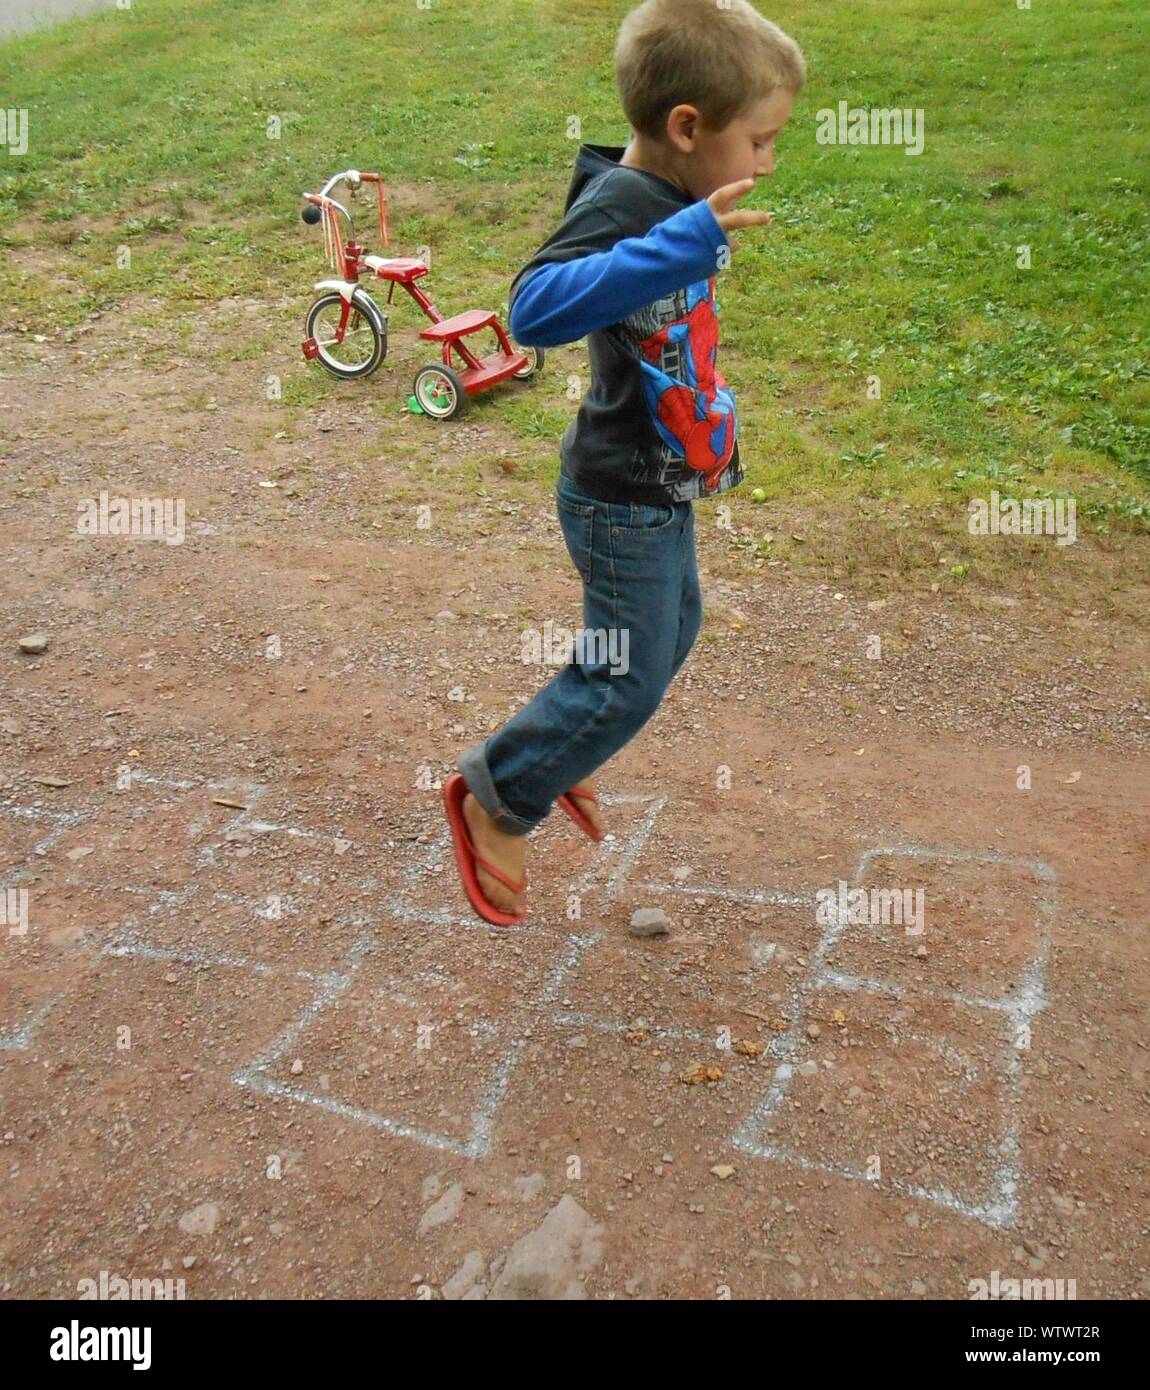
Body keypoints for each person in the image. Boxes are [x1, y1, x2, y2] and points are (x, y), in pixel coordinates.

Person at [444, 0, 805, 925]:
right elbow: (533, 310)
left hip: (660, 483)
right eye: (760, 141)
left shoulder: (672, 195)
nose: (768, 163)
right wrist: (677, 245)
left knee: (670, 636)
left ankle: (564, 756)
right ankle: (501, 794)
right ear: (687, 128)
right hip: (618, 494)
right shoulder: (627, 206)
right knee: (629, 672)